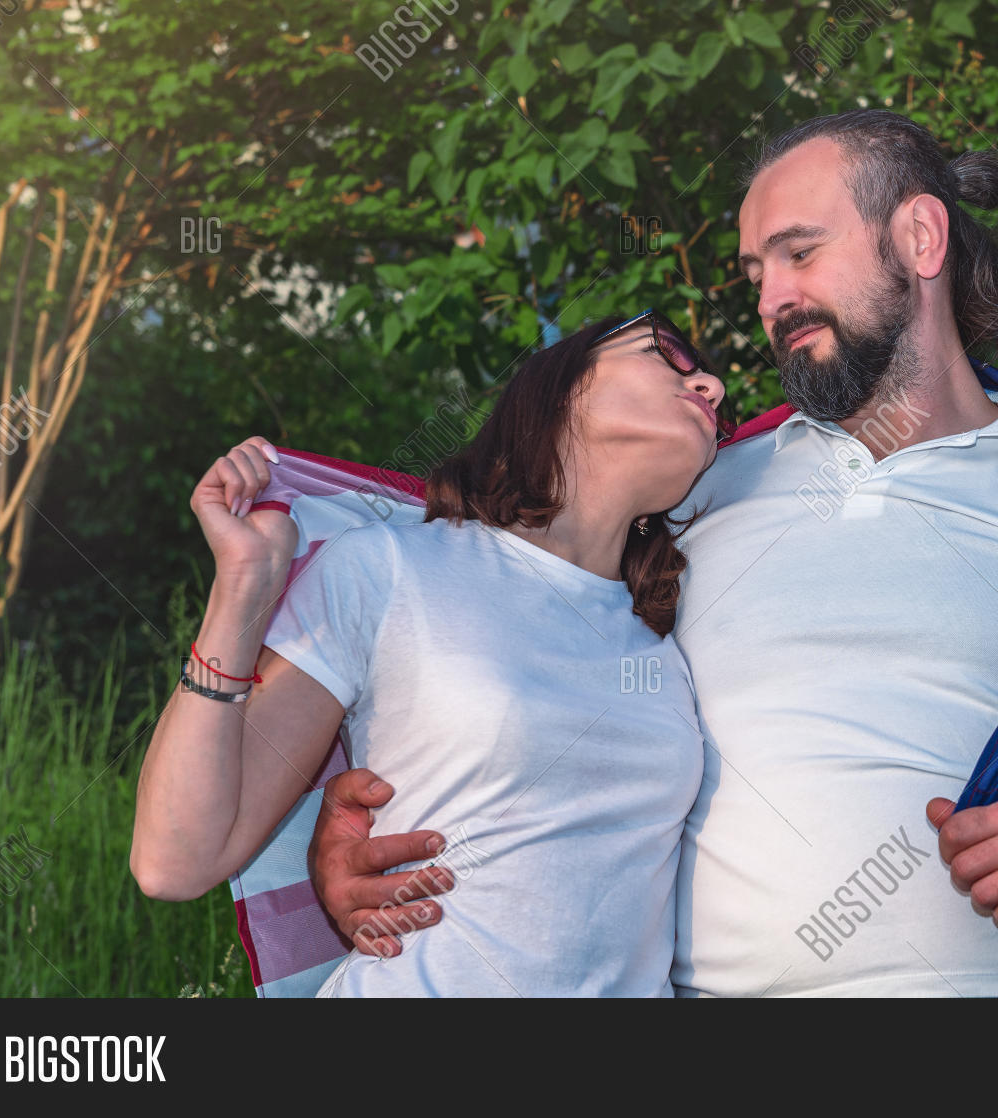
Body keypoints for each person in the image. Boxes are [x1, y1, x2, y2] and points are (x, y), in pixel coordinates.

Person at [306, 110, 998, 997]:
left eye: (799, 253)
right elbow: (494, 628)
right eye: (756, 271)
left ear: (920, 237)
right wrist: (361, 814)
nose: (769, 299)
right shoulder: (695, 492)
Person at [131, 312, 731, 996]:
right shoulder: (388, 567)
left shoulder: (671, 640)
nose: (710, 385)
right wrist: (241, 590)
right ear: (559, 388)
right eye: (667, 353)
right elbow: (174, 861)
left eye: (718, 391)